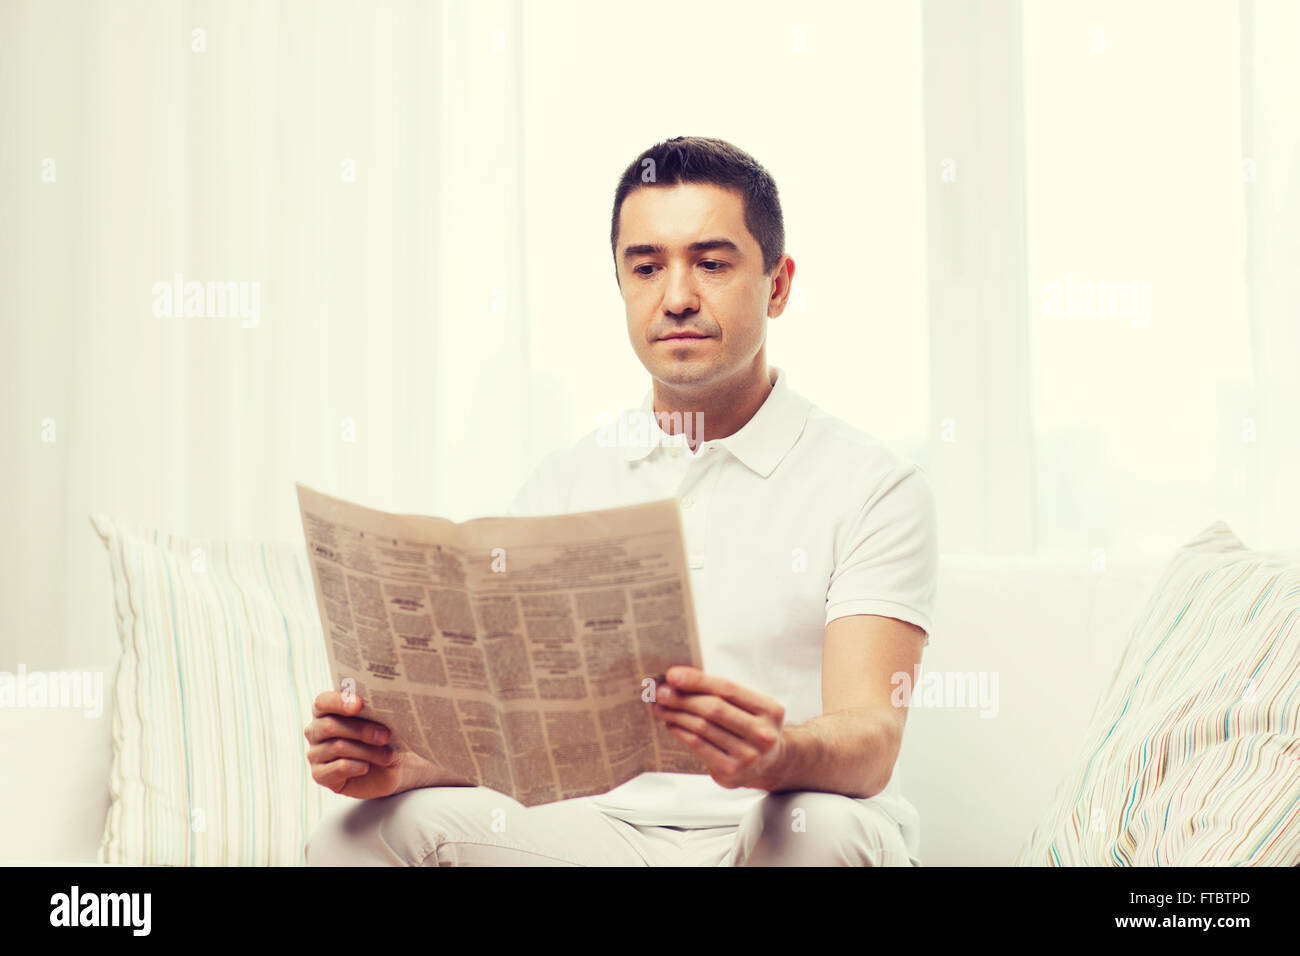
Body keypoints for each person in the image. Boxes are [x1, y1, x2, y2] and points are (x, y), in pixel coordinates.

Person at [303, 135, 938, 866]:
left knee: (813, 828)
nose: (677, 298)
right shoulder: (566, 481)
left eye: (711, 262)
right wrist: (397, 764)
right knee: (362, 831)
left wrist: (776, 755)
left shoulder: (873, 485)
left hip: (778, 828)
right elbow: (522, 740)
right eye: (646, 267)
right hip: (602, 836)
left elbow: (872, 739)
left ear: (778, 284)